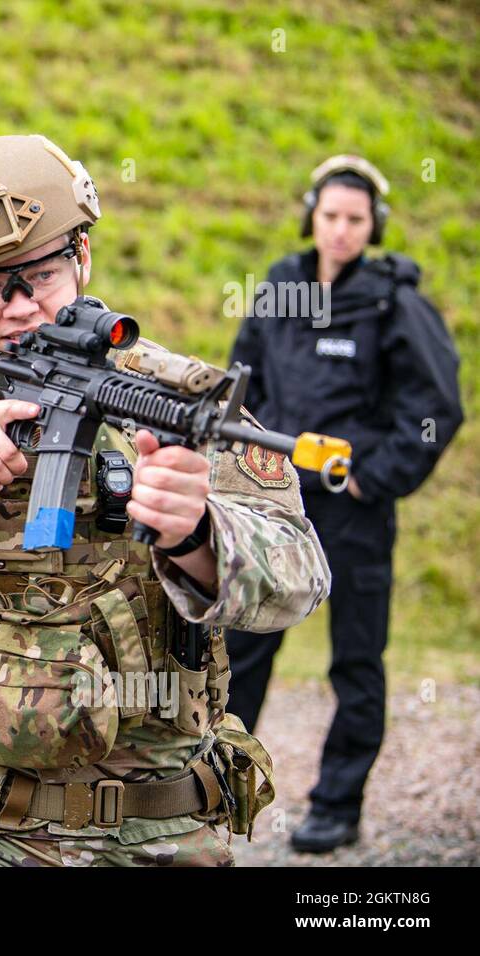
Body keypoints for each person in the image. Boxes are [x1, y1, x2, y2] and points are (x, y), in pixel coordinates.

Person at [0, 133, 333, 867]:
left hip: (160, 824)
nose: (21, 310)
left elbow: (301, 583)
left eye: (42, 275)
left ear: (83, 259)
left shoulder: (176, 401)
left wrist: (200, 539)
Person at [226, 155, 463, 853]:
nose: (339, 230)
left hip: (354, 511)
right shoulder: (279, 286)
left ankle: (338, 805)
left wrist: (373, 477)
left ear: (374, 226)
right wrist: (252, 458)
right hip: (274, 503)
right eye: (330, 215)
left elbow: (436, 407)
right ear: (312, 215)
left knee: (356, 661)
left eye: (355, 219)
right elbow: (242, 380)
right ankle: (215, 788)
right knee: (242, 651)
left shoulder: (395, 301)